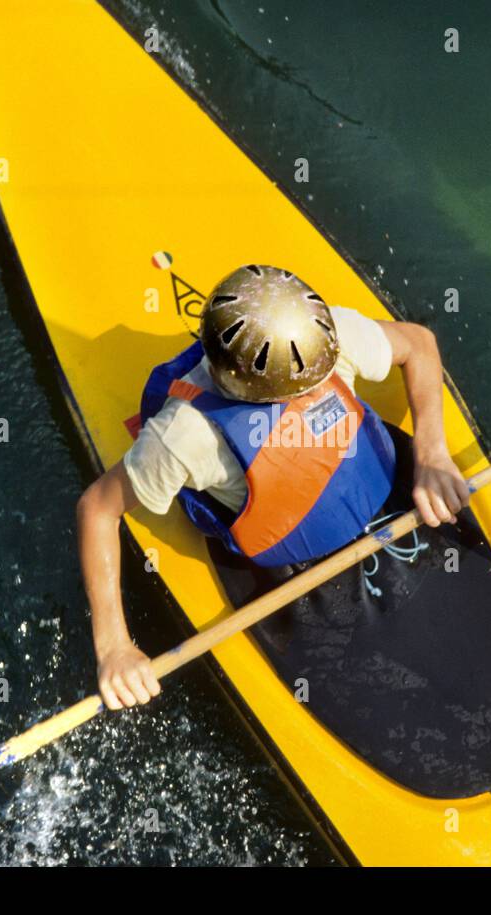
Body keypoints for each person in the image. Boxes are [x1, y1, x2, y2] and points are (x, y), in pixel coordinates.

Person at [77, 265, 469, 710]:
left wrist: (433, 453)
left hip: (370, 498)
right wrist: (113, 648)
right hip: (280, 548)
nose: (324, 382)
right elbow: (97, 509)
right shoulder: (184, 436)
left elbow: (419, 343)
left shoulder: (329, 337)